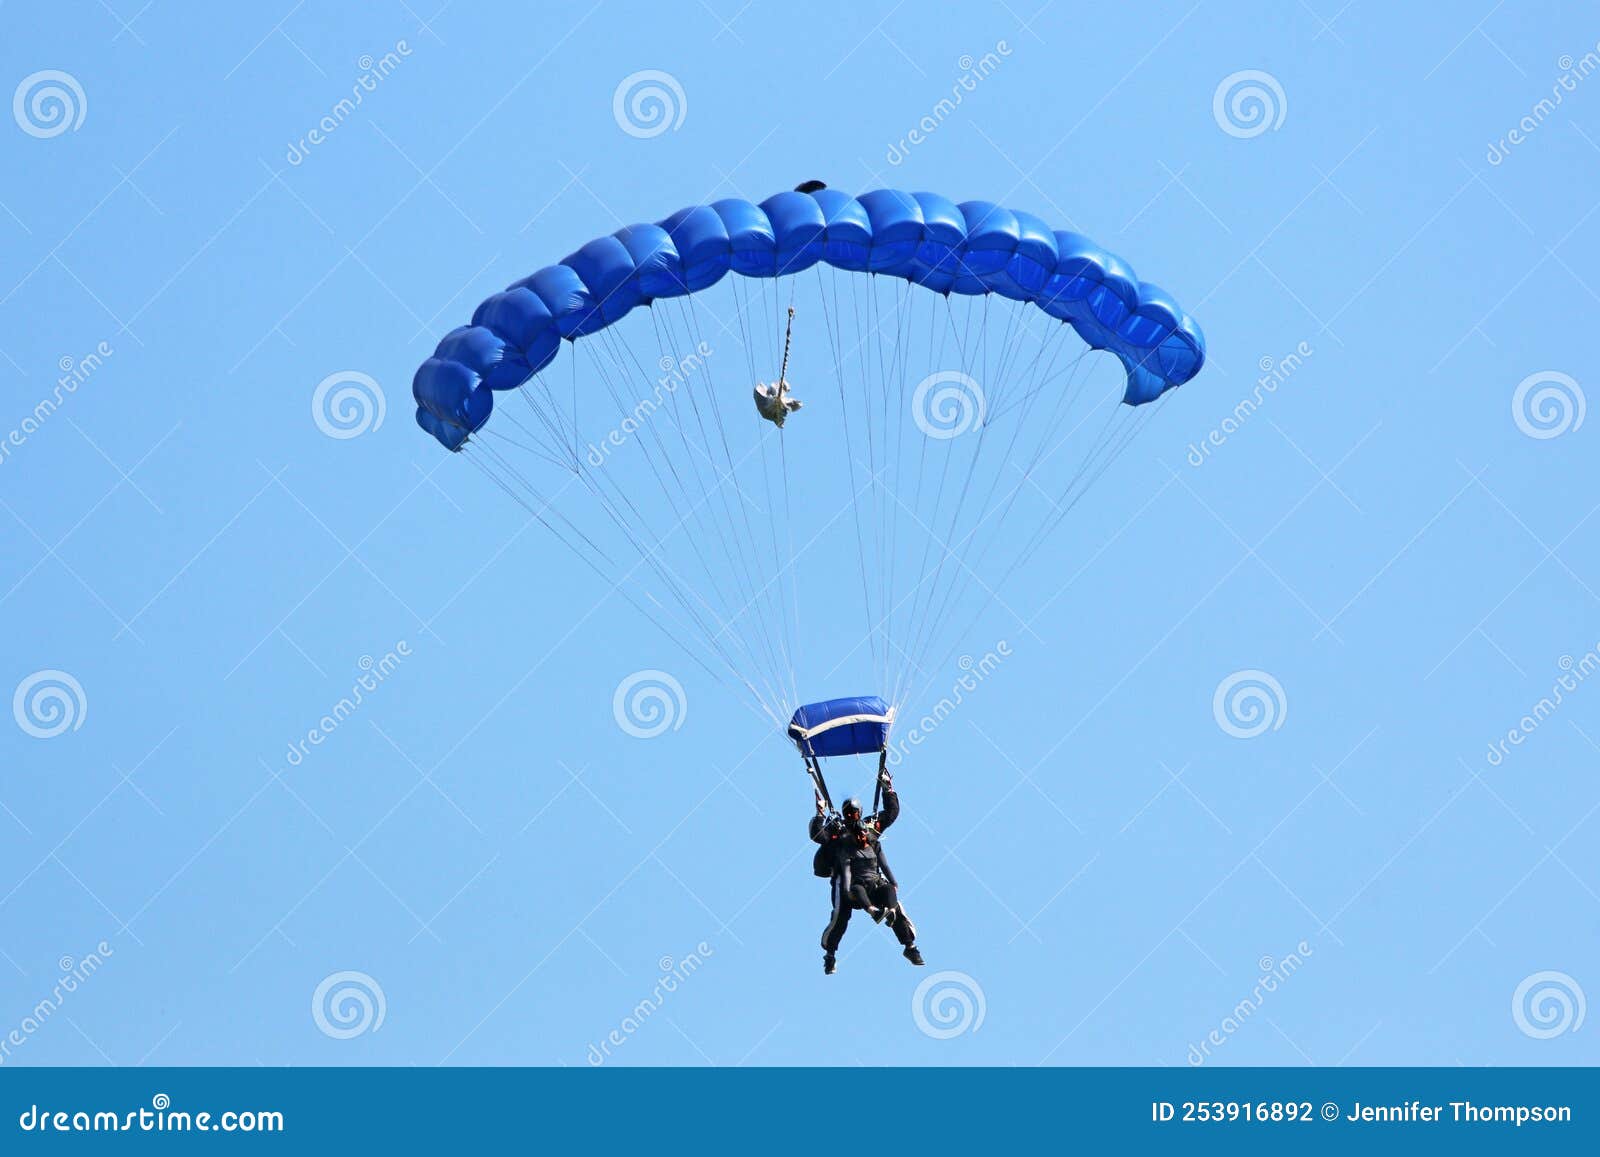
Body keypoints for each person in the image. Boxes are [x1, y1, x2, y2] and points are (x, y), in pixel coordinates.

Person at [810, 765, 923, 974]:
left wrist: (887, 788)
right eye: (849, 814)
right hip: (846, 884)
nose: (852, 818)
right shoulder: (837, 832)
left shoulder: (870, 828)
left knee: (895, 908)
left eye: (855, 814)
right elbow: (818, 836)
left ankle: (910, 946)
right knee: (840, 916)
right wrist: (819, 814)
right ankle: (830, 955)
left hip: (872, 881)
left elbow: (891, 813)